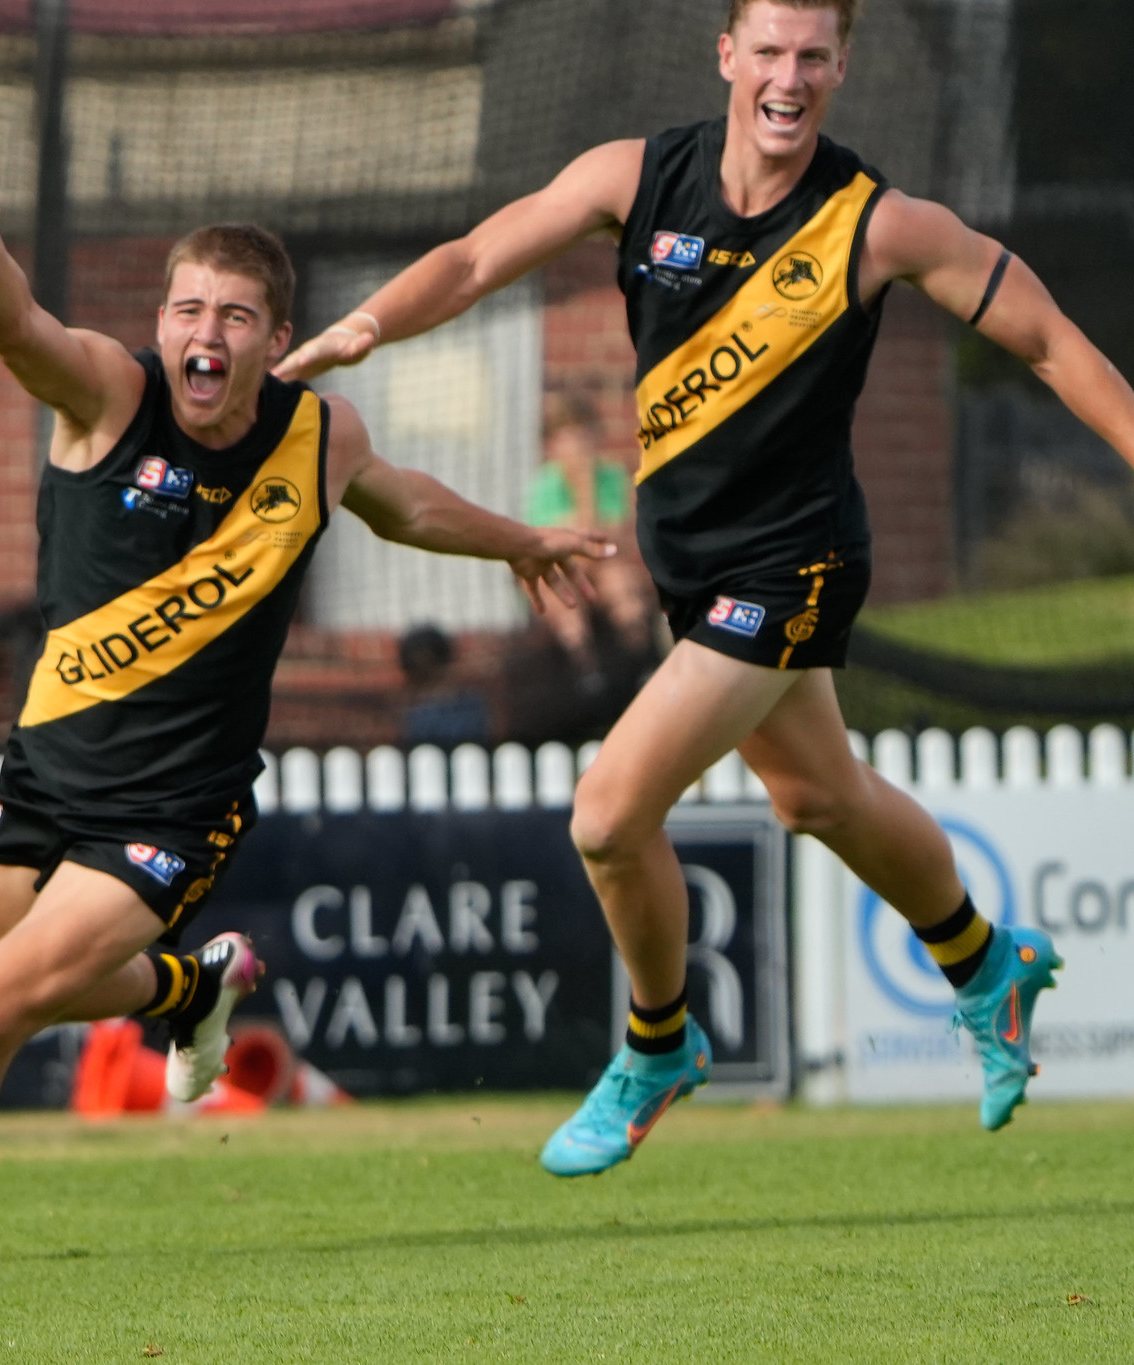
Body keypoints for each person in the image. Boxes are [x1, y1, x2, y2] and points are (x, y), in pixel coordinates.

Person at [0, 133, 612, 1269]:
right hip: (43, 772)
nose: (203, 335)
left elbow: (403, 506)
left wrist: (519, 541)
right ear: (161, 321)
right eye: (187, 310)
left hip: (172, 809)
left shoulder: (315, 434)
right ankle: (189, 983)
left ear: (276, 342)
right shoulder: (108, 396)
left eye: (232, 317)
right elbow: (9, 328)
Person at [280, 0, 1134, 1174]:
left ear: (841, 67)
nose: (787, 79)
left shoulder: (879, 226)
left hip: (796, 563)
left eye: (812, 57)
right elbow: (477, 259)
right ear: (726, 55)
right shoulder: (635, 178)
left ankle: (656, 1042)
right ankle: (986, 963)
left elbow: (1044, 342)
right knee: (817, 799)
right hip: (688, 563)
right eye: (767, 52)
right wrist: (365, 325)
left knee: (606, 813)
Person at [525, 391, 663, 690]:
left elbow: (613, 534)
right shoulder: (544, 484)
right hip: (566, 570)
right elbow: (556, 540)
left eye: (583, 435)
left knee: (622, 585)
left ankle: (643, 665)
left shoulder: (611, 476)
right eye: (567, 437)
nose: (578, 446)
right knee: (562, 599)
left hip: (605, 565)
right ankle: (584, 673)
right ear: (552, 445)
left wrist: (586, 487)